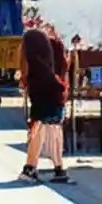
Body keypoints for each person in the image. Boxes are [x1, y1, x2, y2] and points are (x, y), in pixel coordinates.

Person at [19, 26, 71, 183]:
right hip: (56, 95)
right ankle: (59, 168)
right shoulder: (51, 56)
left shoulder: (35, 67)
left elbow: (26, 71)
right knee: (54, 129)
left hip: (43, 97)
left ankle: (31, 167)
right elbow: (63, 69)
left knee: (38, 130)